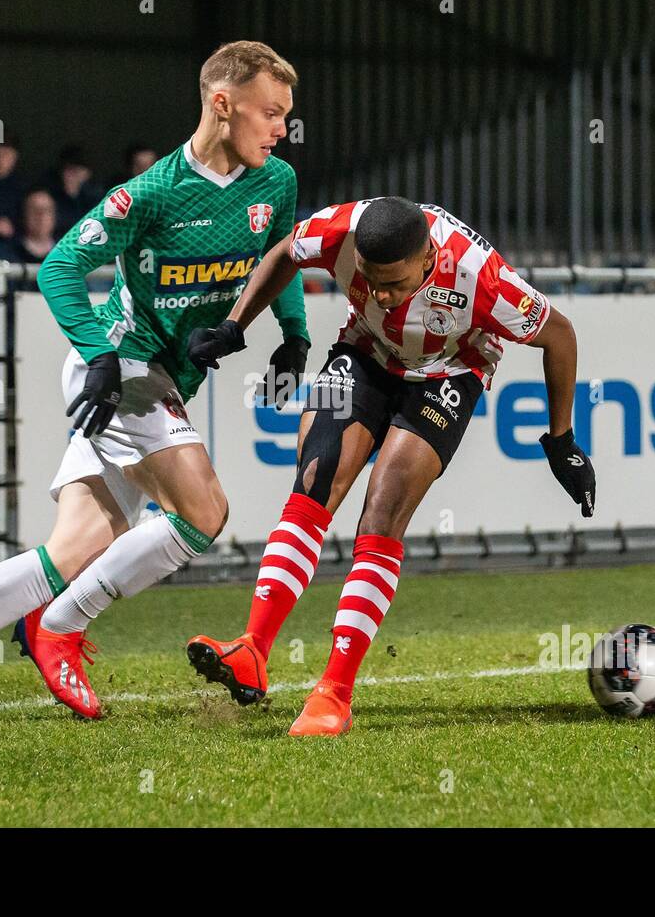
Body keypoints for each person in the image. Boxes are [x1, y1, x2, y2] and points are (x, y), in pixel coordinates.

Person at [0, 40, 310, 729]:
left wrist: (294, 333)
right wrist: (97, 354)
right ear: (222, 103)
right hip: (123, 368)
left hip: (161, 376)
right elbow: (59, 267)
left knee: (69, 552)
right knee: (204, 512)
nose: (282, 129)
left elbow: (282, 255)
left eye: (286, 116)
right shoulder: (153, 193)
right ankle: (59, 626)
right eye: (271, 113)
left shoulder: (274, 182)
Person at [184, 197, 596, 736]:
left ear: (428, 259)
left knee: (381, 513)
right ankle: (252, 649)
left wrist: (561, 441)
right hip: (363, 354)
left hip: (447, 375)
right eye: (371, 281)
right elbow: (285, 250)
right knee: (314, 479)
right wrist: (236, 324)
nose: (380, 293)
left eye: (395, 284)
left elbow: (559, 335)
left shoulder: (482, 278)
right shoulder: (343, 231)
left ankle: (334, 692)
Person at [40, 143, 103, 239]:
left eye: (78, 171)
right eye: (69, 170)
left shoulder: (94, 195)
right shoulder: (48, 192)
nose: (72, 175)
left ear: (87, 174)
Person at [8, 189, 57, 263]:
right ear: (25, 215)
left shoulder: (67, 255)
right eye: (35, 210)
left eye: (46, 210)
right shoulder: (9, 253)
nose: (41, 216)